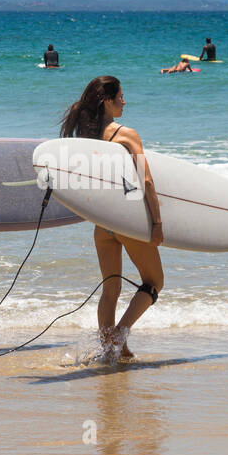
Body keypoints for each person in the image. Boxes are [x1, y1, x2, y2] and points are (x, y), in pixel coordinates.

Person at [59, 75, 163, 360]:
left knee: (110, 289)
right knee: (154, 283)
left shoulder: (86, 137)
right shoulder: (126, 134)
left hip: (103, 223)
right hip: (128, 218)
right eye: (120, 97)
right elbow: (147, 181)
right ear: (107, 101)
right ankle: (120, 333)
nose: (124, 101)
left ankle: (111, 350)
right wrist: (157, 223)